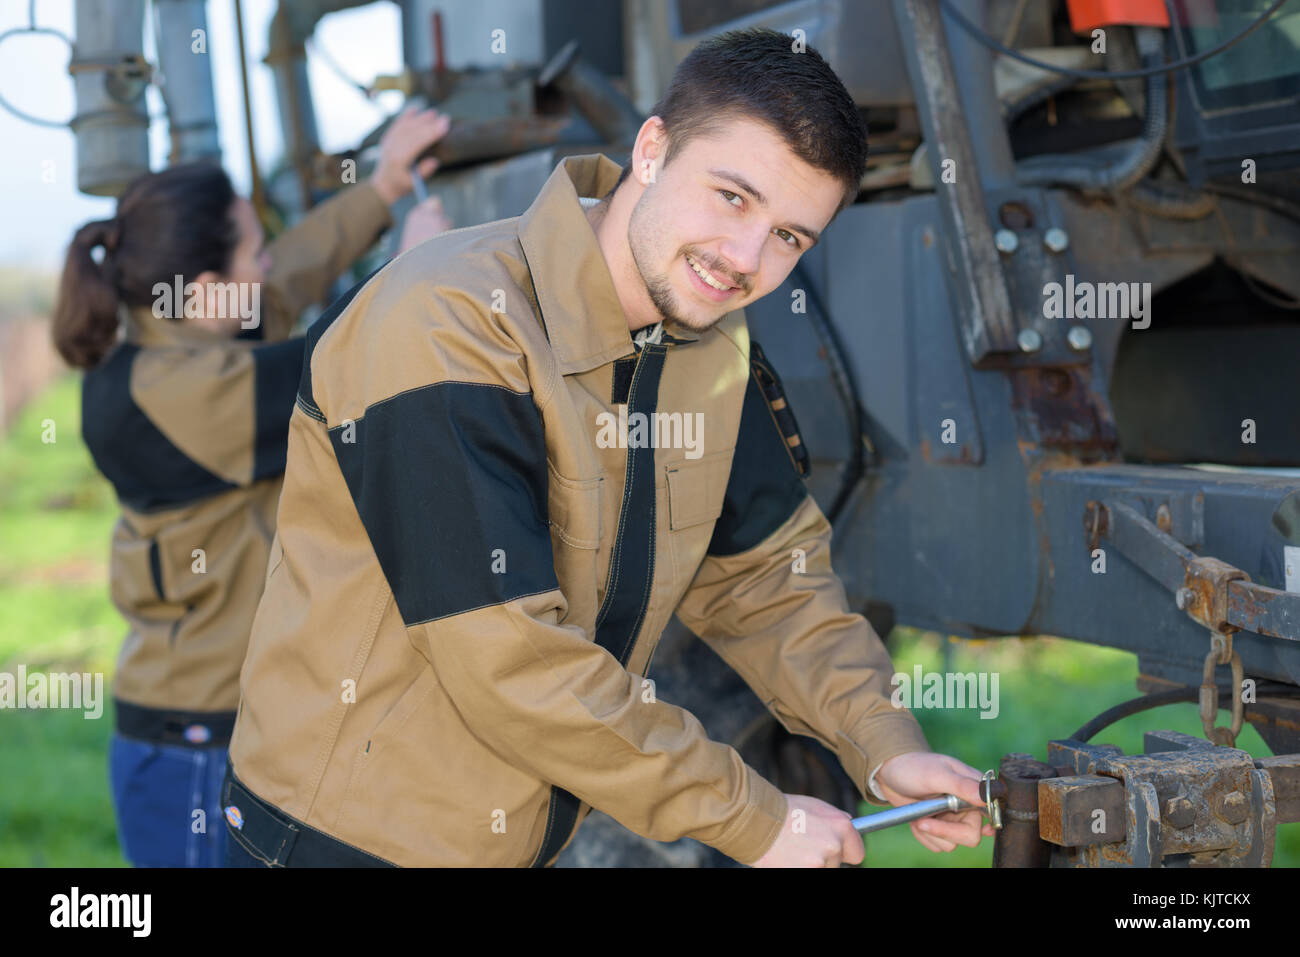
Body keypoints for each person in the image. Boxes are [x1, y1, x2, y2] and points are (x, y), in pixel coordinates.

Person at [223, 28, 995, 868]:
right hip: (334, 847)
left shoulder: (705, 348)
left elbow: (768, 583)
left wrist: (883, 743)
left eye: (790, 237)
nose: (746, 260)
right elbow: (509, 659)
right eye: (733, 197)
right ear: (653, 148)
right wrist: (752, 818)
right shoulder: (445, 324)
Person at [51, 106, 453, 867]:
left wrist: (382, 186)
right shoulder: (179, 396)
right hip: (194, 748)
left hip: (207, 731)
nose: (268, 264)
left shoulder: (169, 333)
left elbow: (287, 278)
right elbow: (336, 363)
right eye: (254, 251)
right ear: (205, 289)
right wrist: (412, 275)